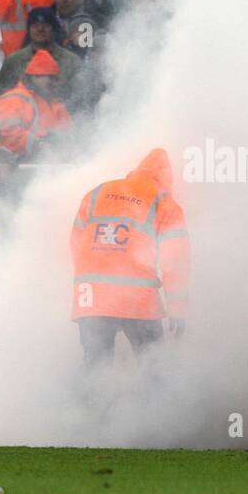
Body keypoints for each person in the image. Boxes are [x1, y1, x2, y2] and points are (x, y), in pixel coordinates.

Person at [70, 149, 189, 367]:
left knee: (95, 367)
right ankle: (153, 402)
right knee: (153, 367)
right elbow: (175, 261)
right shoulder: (164, 203)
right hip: (137, 298)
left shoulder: (97, 192)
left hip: (90, 297)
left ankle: (89, 402)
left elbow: (76, 243)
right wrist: (177, 309)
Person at [0, 7, 87, 108]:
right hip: (23, 120)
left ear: (54, 29)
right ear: (29, 29)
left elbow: (81, 99)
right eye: (35, 25)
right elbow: (1, 99)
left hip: (62, 118)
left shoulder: (71, 61)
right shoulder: (13, 61)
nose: (40, 29)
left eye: (46, 25)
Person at [0, 50, 73, 163]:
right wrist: (38, 144)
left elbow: (70, 134)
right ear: (32, 77)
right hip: (12, 166)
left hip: (46, 166)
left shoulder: (55, 105)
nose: (51, 82)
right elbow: (7, 134)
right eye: (46, 77)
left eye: (54, 78)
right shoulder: (14, 99)